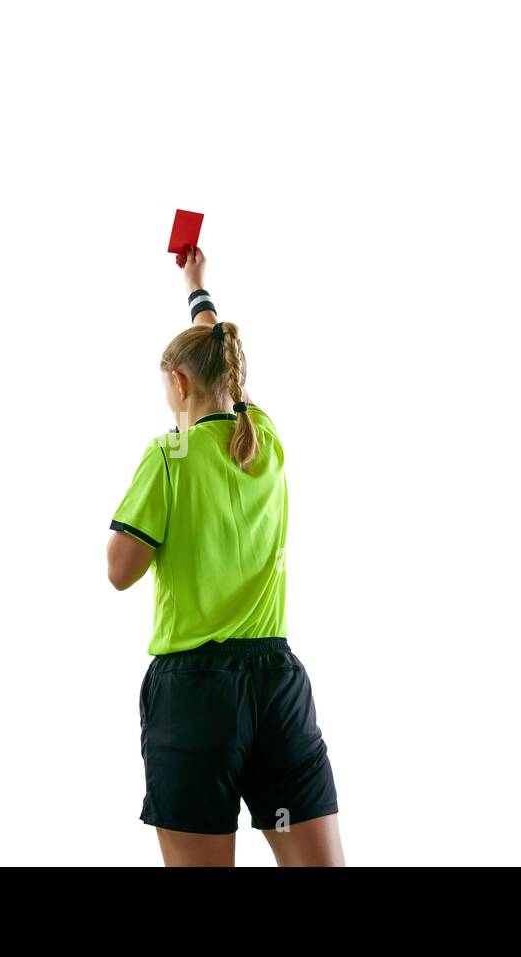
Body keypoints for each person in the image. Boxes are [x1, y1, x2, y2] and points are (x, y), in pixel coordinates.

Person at [106, 246, 345, 867]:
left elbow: (119, 572)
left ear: (177, 383)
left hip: (196, 701)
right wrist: (197, 287)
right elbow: (224, 364)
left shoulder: (168, 457)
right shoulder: (261, 440)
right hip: (276, 691)